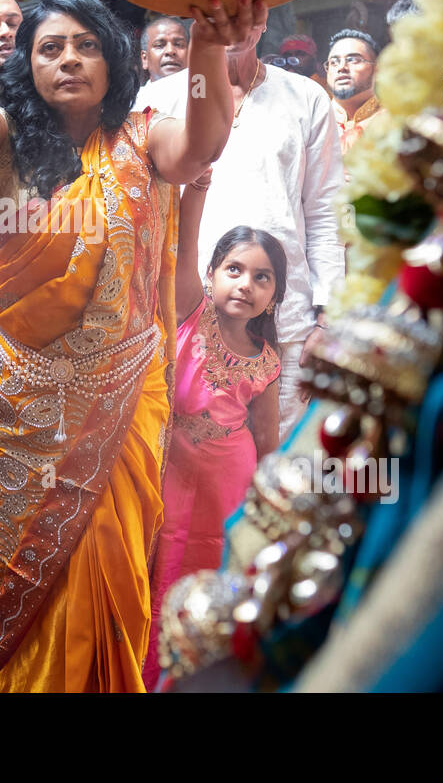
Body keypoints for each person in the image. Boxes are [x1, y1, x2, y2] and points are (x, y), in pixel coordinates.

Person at [0, 0, 266, 692]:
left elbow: (204, 141)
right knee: (24, 578)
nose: (69, 59)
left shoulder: (144, 140)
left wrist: (209, 41)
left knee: (111, 562)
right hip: (22, 405)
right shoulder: (1, 145)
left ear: (114, 60)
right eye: (50, 47)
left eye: (86, 45)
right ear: (27, 64)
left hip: (122, 398)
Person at [138, 16, 344, 445]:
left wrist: (327, 319)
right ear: (198, 16)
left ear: (264, 15)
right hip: (181, 321)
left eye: (246, 7)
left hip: (282, 325)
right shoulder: (156, 99)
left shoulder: (306, 97)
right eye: (219, 9)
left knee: (279, 466)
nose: (233, 21)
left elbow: (325, 213)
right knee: (184, 476)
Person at [141, 172, 286, 689]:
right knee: (157, 565)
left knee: (208, 571)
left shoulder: (268, 361)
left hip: (229, 484)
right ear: (211, 274)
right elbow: (183, 246)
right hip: (167, 472)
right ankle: (145, 674)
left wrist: (269, 514)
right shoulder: (190, 310)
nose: (246, 284)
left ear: (274, 295)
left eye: (262, 277)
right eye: (234, 269)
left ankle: (197, 676)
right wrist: (195, 191)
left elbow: (267, 439)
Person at [325, 28, 381, 153]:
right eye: (334, 62)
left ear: (377, 69)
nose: (341, 67)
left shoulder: (397, 122)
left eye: (353, 60)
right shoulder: (313, 122)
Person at [139, 16, 190, 84]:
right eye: (159, 45)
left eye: (178, 44)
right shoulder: (138, 95)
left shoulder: (204, 92)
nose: (170, 51)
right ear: (145, 59)